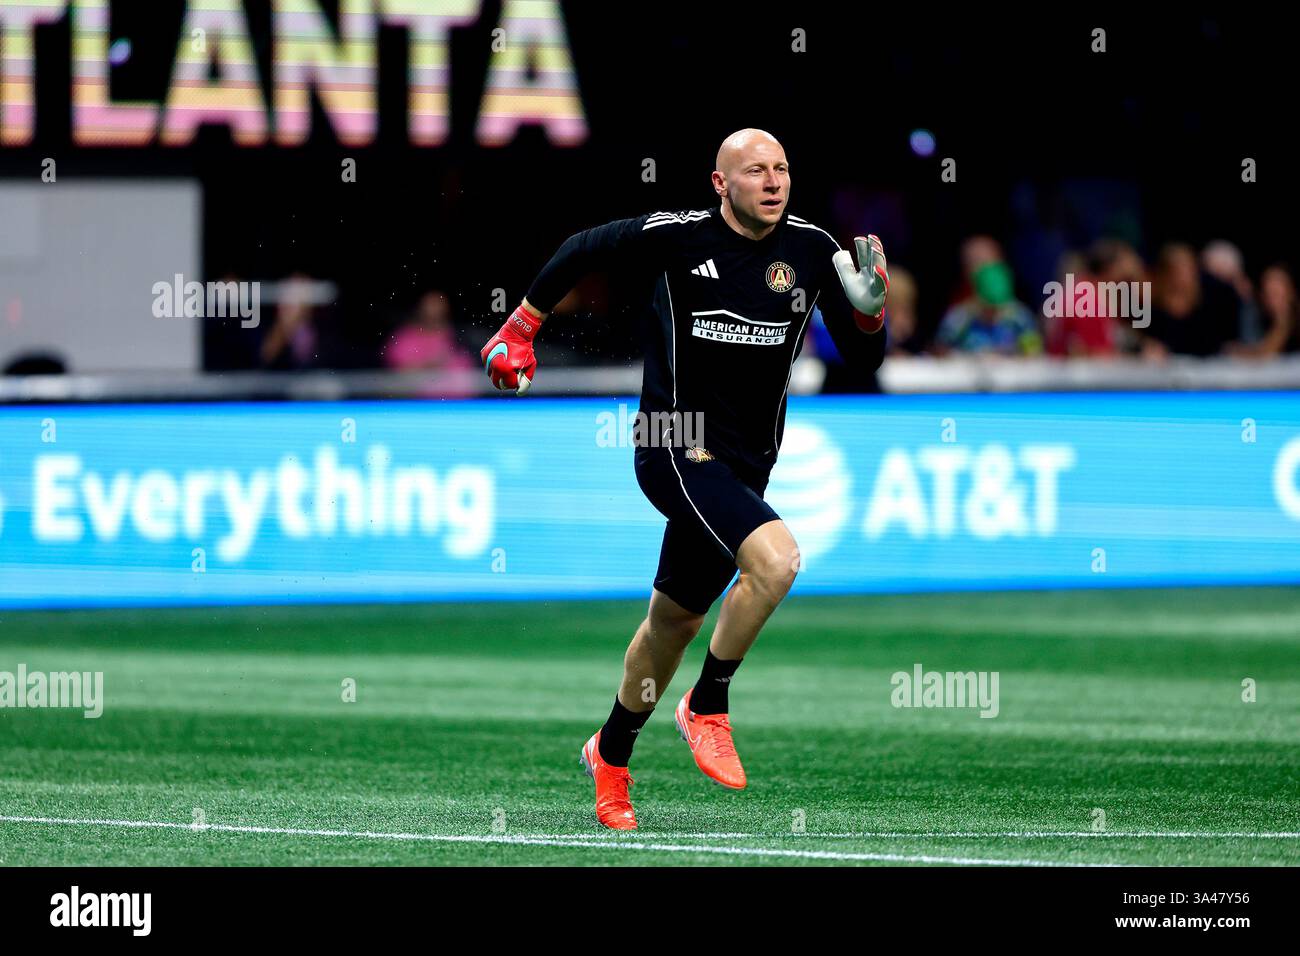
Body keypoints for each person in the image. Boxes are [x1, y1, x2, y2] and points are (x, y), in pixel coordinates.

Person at [477, 128, 888, 829]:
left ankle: (610, 753)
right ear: (720, 183)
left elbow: (863, 364)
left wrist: (870, 309)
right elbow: (581, 249)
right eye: (755, 169)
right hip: (673, 443)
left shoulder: (815, 251)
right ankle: (708, 702)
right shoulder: (677, 235)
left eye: (782, 168)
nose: (773, 180)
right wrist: (521, 326)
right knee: (778, 560)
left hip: (745, 463)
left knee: (673, 622)